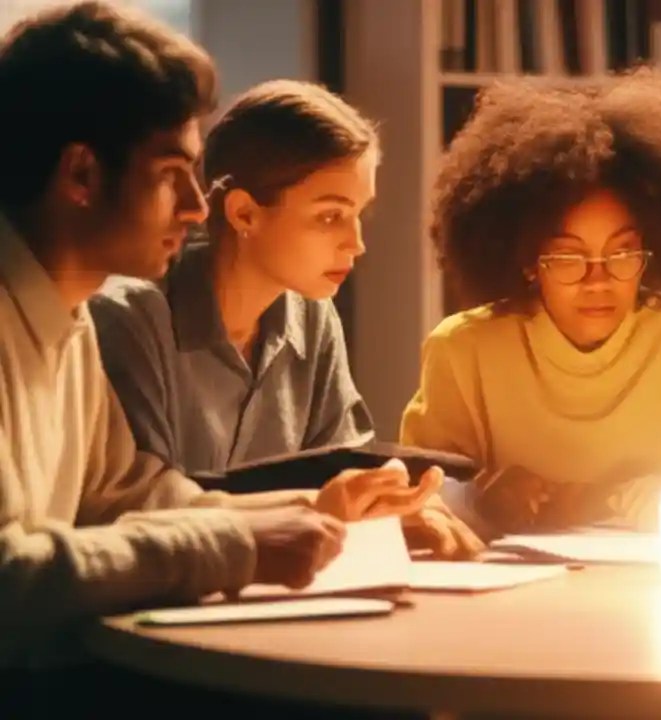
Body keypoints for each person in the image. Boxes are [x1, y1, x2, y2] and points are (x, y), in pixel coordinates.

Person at [0, 0, 432, 690]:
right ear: (81, 175)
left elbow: (127, 494)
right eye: (170, 174)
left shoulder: (66, 320)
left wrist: (311, 514)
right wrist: (233, 545)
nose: (198, 207)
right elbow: (9, 578)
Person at [90, 79, 482, 559]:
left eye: (359, 215)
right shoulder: (129, 321)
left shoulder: (312, 318)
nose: (356, 243)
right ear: (244, 214)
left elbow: (342, 470)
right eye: (330, 216)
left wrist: (392, 503)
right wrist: (323, 506)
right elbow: (140, 508)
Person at [399, 69, 661, 536]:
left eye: (621, 252)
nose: (598, 280)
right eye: (569, 257)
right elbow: (417, 499)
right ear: (527, 261)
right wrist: (482, 500)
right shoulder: (463, 350)